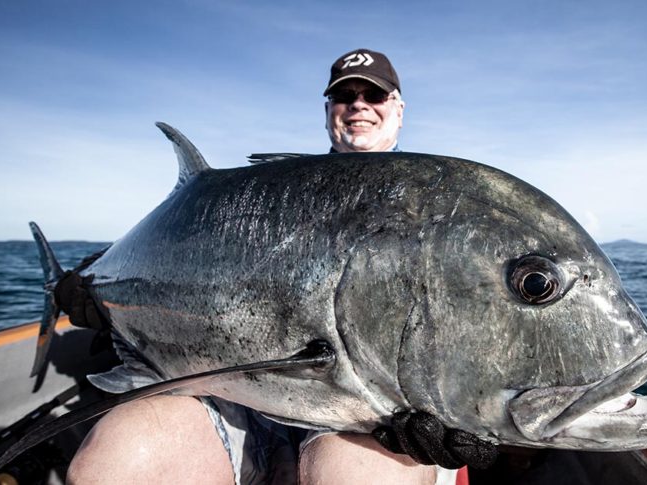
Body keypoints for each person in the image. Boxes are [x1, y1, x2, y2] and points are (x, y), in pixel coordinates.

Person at [66, 49, 485, 485]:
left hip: (372, 419)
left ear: (398, 110)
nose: (359, 104)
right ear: (328, 112)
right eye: (345, 95)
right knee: (114, 463)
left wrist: (462, 409)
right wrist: (98, 285)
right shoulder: (274, 201)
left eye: (374, 95)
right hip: (239, 398)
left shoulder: (442, 210)